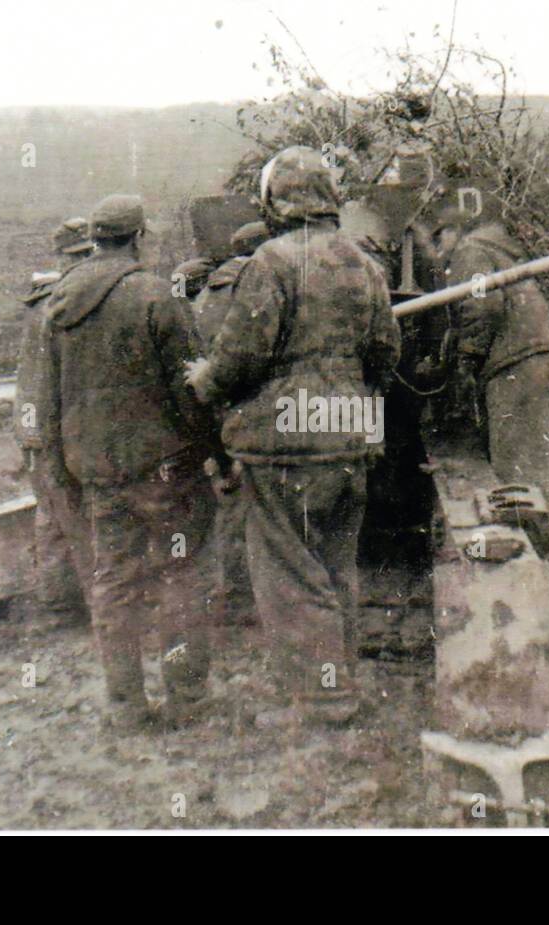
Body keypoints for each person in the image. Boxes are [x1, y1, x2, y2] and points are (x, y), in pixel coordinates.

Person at [187, 147, 401, 725]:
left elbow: (241, 355)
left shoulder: (271, 262)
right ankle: (340, 682)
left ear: (274, 201)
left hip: (287, 442)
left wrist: (204, 381)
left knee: (289, 571)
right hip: (351, 435)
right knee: (336, 566)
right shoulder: (365, 264)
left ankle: (323, 700)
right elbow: (386, 353)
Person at [40, 194, 218, 730]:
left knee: (114, 583)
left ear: (95, 238)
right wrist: (215, 452)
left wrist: (59, 467)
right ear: (139, 236)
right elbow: (192, 389)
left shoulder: (59, 304)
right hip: (167, 469)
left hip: (98, 472)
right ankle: (187, 701)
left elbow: (49, 398)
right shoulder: (156, 296)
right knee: (183, 575)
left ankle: (125, 707)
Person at [431, 195, 549, 570]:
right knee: (541, 472)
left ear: (454, 229)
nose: (438, 250)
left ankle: (543, 575)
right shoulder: (503, 250)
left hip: (515, 365)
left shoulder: (470, 251)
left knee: (522, 481)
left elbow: (482, 305)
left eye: (438, 238)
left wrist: (465, 362)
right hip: (543, 356)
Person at [190, 220, 271, 628]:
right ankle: (244, 598)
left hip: (218, 411)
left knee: (231, 503)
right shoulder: (252, 288)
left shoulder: (208, 293)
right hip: (250, 409)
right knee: (253, 506)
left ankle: (236, 594)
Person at [15, 217, 95, 625]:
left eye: (87, 253)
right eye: (76, 255)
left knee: (53, 514)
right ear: (63, 258)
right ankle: (72, 605)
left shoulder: (44, 301)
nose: (83, 261)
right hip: (52, 425)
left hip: (38, 424)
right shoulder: (62, 303)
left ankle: (60, 604)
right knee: (70, 513)